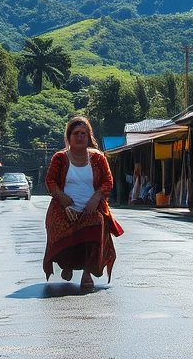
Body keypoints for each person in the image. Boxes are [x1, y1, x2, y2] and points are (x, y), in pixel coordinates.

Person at [42, 115, 123, 291]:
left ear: (89, 136)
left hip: (91, 208)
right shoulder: (60, 158)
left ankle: (87, 273)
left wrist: (96, 198)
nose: (80, 137)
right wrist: (63, 201)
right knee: (58, 225)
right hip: (65, 207)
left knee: (97, 223)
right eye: (76, 133)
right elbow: (51, 182)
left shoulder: (98, 158)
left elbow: (108, 181)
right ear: (69, 137)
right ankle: (67, 264)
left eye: (83, 134)